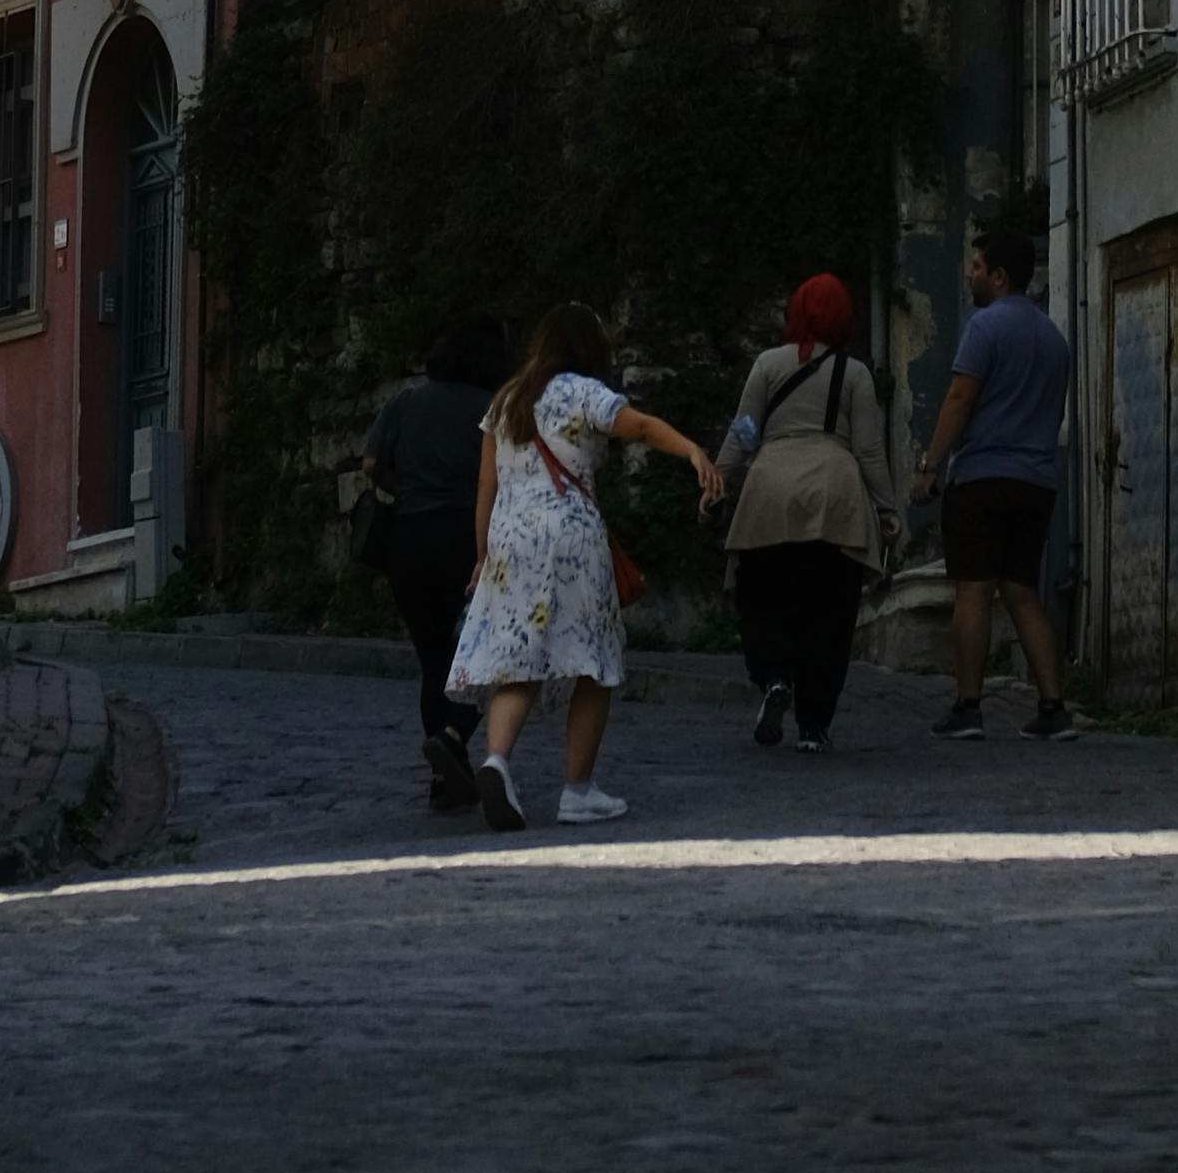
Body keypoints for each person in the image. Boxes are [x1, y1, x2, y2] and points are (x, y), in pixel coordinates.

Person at [446, 303, 715, 829]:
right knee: (593, 661)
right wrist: (692, 452)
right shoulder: (582, 392)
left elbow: (485, 487)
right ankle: (578, 791)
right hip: (571, 537)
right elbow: (637, 427)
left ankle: (497, 760)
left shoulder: (506, 401)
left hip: (510, 540)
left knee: (519, 655)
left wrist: (482, 557)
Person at [707, 270, 901, 753]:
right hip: (833, 495)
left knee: (765, 596)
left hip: (769, 492)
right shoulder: (854, 373)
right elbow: (869, 451)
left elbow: (745, 432)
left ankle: (774, 677)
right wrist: (887, 507)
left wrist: (717, 479)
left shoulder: (768, 364)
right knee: (829, 613)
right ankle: (814, 724)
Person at [920, 215, 1075, 736]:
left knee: (974, 590)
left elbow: (960, 398)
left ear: (1000, 276)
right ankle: (1053, 707)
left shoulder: (983, 328)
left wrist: (931, 465)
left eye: (978, 267)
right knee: (1023, 592)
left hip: (984, 477)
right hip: (1036, 481)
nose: (970, 275)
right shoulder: (1054, 339)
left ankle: (968, 705)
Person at [363, 316, 508, 816]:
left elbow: (370, 464)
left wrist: (402, 486)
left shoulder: (406, 402)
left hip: (409, 538)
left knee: (432, 661)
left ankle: (443, 777)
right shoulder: (492, 409)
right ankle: (453, 736)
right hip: (470, 540)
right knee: (481, 654)